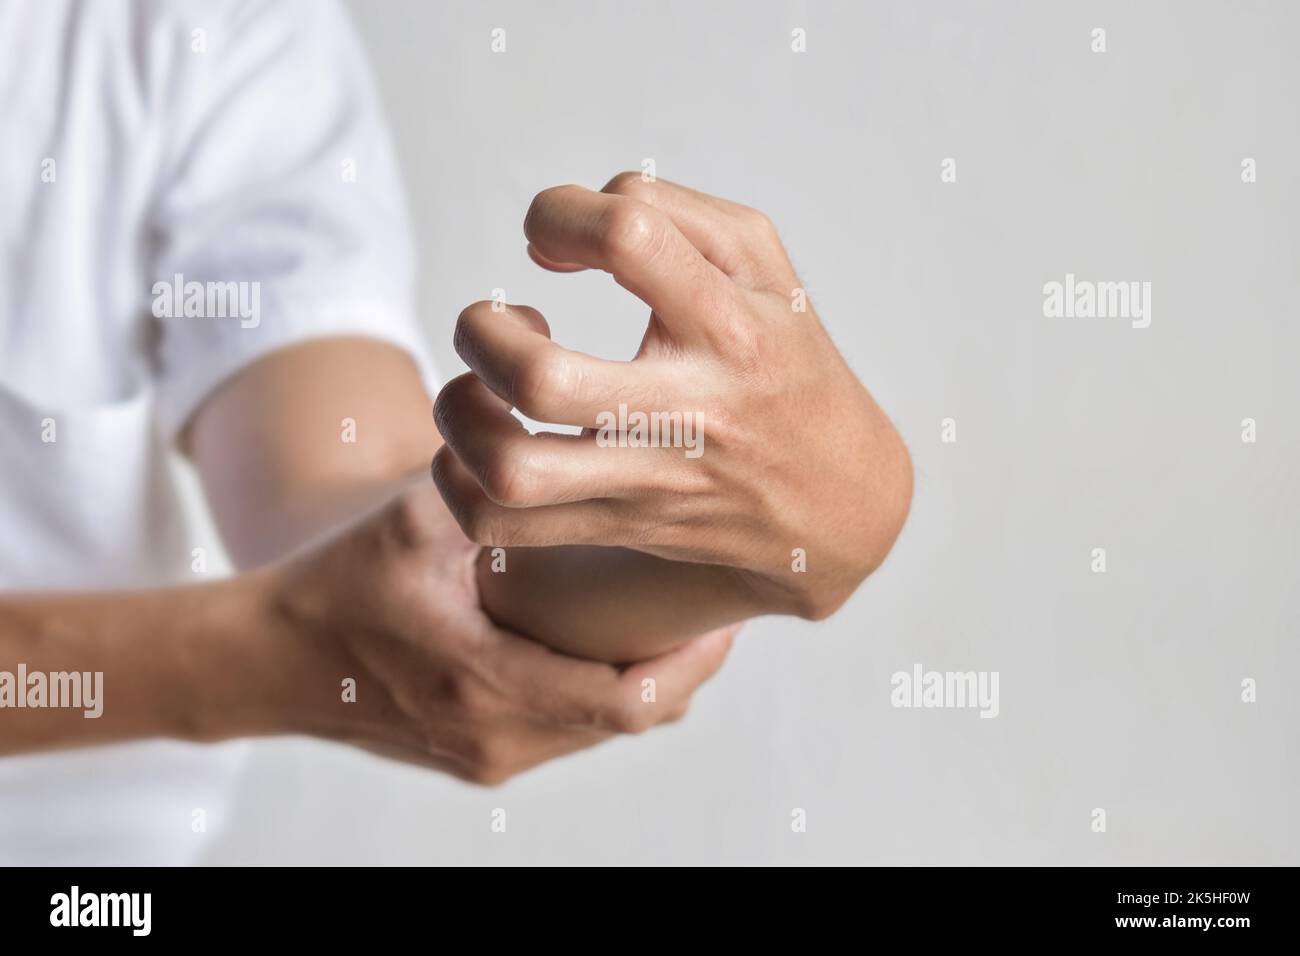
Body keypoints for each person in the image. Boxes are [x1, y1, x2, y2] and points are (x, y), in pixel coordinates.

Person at [0, 0, 912, 865]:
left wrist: (778, 521)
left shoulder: (207, 33)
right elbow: (336, 608)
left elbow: (377, 535)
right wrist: (253, 655)